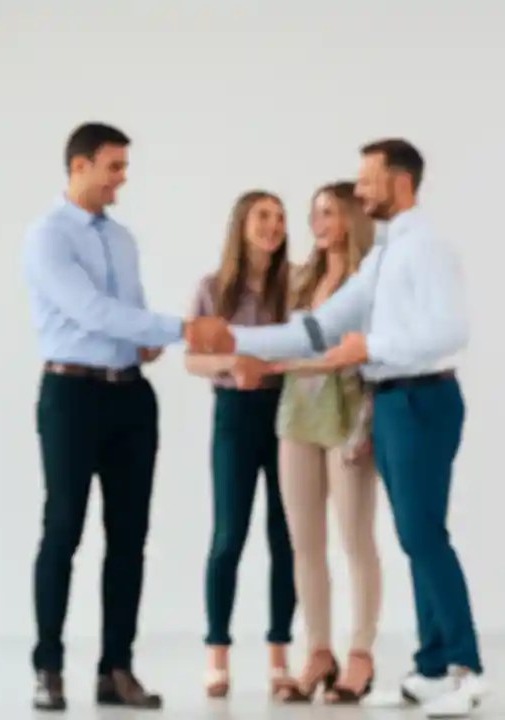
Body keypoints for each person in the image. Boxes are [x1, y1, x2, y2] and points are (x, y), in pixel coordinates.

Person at [202, 138, 488, 718]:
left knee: (424, 536)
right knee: (413, 536)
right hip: (392, 401)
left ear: (399, 183)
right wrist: (236, 341)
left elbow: (452, 333)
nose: (358, 191)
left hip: (422, 400)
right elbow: (318, 327)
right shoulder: (383, 257)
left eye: (367, 181)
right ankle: (431, 667)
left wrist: (373, 345)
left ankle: (466, 669)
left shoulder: (426, 247)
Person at [22, 121, 232, 712]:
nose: (122, 179)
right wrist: (181, 328)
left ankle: (117, 669)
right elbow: (90, 311)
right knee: (63, 529)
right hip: (72, 396)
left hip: (130, 397)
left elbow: (126, 315)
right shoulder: (48, 237)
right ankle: (48, 668)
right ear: (80, 165)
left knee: (130, 539)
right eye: (114, 167)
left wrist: (149, 341)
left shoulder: (123, 239)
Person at [183, 190, 298, 700]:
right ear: (242, 224)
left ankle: (279, 658)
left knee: (285, 536)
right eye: (263, 216)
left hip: (287, 415)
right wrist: (231, 364)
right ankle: (217, 653)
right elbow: (191, 358)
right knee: (228, 535)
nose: (273, 226)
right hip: (234, 415)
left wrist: (269, 366)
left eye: (279, 218)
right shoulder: (213, 289)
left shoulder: (294, 287)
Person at [273, 181, 382, 704]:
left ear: (351, 220)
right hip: (297, 415)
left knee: (355, 539)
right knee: (304, 544)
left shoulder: (370, 279)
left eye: (329, 212)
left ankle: (360, 653)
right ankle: (318, 650)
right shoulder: (300, 279)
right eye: (313, 212)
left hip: (347, 414)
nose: (317, 223)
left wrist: (365, 427)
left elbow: (375, 360)